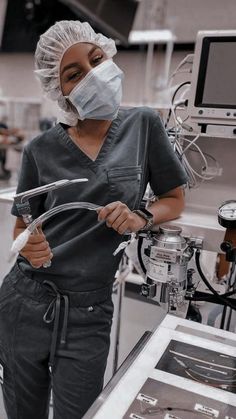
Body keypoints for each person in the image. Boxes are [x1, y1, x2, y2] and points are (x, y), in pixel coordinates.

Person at [0, 20, 187, 419]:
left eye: (96, 60)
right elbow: (23, 225)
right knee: (22, 411)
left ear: (108, 56)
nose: (92, 76)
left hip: (89, 312)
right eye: (73, 74)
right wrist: (29, 245)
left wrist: (141, 217)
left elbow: (173, 199)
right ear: (60, 90)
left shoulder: (143, 126)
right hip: (25, 303)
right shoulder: (39, 150)